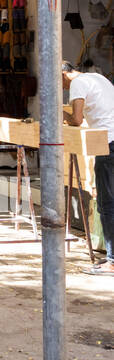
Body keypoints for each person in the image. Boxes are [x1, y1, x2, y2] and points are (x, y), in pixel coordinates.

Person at [62, 61, 114, 275]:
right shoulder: (97, 77)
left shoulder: (78, 84)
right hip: (110, 140)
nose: (63, 89)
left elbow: (76, 119)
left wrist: (60, 114)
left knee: (107, 202)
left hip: (107, 144)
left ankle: (112, 261)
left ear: (63, 75)